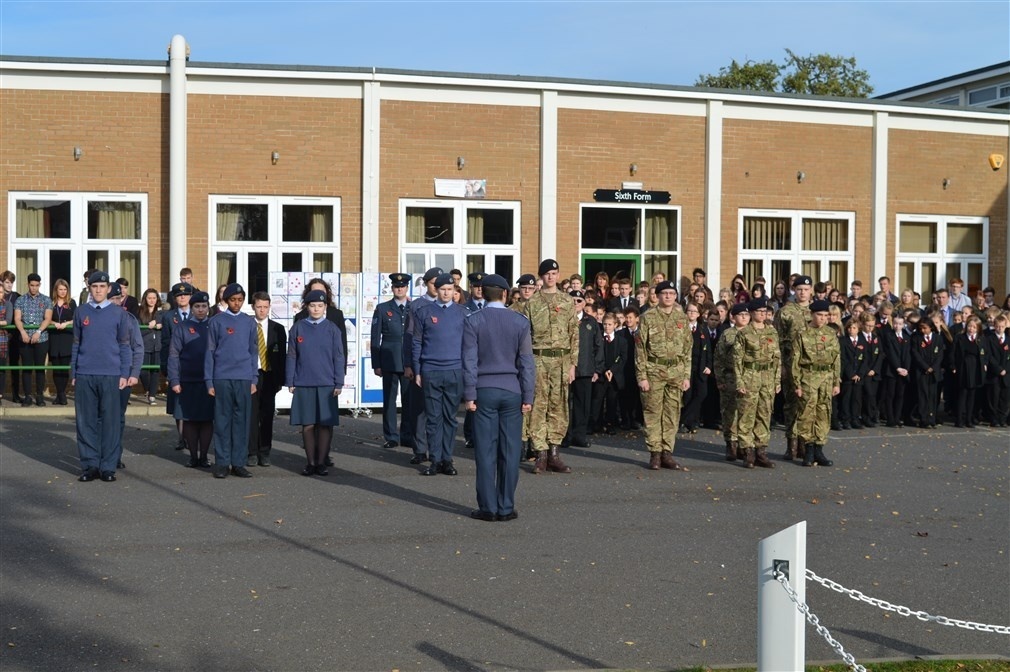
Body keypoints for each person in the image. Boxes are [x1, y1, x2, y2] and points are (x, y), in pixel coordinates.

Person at [462, 274, 535, 521]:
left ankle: (488, 507)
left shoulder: (473, 320)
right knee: (511, 449)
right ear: (505, 294)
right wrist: (528, 395)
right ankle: (505, 506)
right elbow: (526, 362)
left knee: (485, 450)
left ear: (483, 293)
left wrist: (469, 393)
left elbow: (469, 362)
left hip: (484, 390)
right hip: (512, 390)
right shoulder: (519, 321)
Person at [70, 271, 134, 482]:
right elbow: (77, 344)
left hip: (111, 375)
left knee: (110, 422)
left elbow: (125, 345)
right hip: (86, 374)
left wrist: (125, 373)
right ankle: (90, 465)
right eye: (94, 286)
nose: (98, 290)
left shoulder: (119, 314)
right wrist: (74, 371)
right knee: (85, 422)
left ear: (108, 289)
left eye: (102, 287)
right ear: (89, 288)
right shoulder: (81, 312)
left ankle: (107, 467)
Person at [521, 259, 580, 474]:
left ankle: (554, 452)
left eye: (554, 273)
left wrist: (573, 363)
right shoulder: (532, 303)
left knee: (559, 406)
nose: (551, 277)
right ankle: (540, 453)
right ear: (541, 276)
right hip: (538, 359)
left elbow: (574, 334)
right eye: (547, 273)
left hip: (562, 361)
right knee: (538, 406)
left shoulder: (566, 301)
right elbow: (525, 337)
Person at [410, 273, 467, 476]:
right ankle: (434, 459)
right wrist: (417, 370)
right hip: (431, 370)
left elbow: (469, 345)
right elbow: (416, 342)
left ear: (455, 291)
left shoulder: (463, 313)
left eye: (450, 289)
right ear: (436, 290)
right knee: (433, 418)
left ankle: (447, 459)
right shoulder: (424, 312)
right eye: (442, 289)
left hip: (454, 371)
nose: (446, 293)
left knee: (450, 418)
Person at [635, 280, 693, 471]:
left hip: (676, 372)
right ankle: (655, 453)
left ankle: (667, 452)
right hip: (654, 371)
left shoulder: (682, 318)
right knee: (653, 413)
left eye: (671, 293)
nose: (668, 296)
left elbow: (687, 349)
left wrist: (686, 375)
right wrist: (641, 376)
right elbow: (640, 349)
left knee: (672, 413)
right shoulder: (648, 317)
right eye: (664, 293)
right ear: (657, 296)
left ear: (676, 296)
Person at [287, 289, 345, 476]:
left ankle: (321, 462)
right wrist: (290, 380)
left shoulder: (332, 329)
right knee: (308, 424)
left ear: (325, 307)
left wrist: (339, 382)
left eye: (320, 306)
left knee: (325, 424)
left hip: (327, 383)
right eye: (312, 305)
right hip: (304, 382)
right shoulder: (298, 328)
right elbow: (292, 356)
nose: (316, 309)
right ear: (307, 307)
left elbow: (338, 357)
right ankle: (310, 462)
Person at [205, 283, 258, 479]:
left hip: (243, 378)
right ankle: (222, 462)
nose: (237, 303)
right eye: (233, 300)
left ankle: (239, 462)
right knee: (222, 421)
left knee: (241, 421)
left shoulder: (249, 322)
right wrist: (209, 381)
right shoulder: (217, 321)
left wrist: (254, 378)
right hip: (222, 377)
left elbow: (254, 352)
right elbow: (210, 352)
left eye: (240, 300)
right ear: (226, 301)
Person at [791, 300, 840, 467]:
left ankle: (819, 448)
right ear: (812, 314)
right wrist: (797, 384)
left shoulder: (831, 333)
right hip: (808, 376)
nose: (823, 318)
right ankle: (808, 449)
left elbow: (836, 359)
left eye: (826, 315)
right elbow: (795, 361)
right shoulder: (802, 333)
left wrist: (836, 382)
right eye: (820, 315)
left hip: (826, 376)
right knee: (806, 413)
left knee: (824, 412)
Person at [168, 291, 214, 468]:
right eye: (197, 307)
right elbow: (173, 355)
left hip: (208, 381)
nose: (201, 310)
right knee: (189, 420)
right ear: (192, 308)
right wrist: (174, 380)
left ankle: (204, 457)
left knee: (207, 420)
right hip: (187, 380)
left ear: (208, 307)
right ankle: (193, 456)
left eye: (204, 306)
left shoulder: (214, 325)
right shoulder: (182, 327)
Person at [732, 297, 780, 468]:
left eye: (765, 311)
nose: (762, 314)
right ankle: (747, 451)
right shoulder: (744, 333)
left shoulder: (772, 332)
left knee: (764, 414)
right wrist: (740, 382)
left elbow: (777, 358)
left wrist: (777, 380)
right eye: (759, 311)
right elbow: (737, 360)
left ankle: (761, 451)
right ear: (752, 313)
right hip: (749, 375)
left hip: (767, 376)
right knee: (746, 414)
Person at [402, 267, 442, 464]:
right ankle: (419, 449)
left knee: (439, 410)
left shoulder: (448, 305)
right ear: (426, 283)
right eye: (434, 282)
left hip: (441, 364)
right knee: (419, 409)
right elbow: (409, 336)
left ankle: (439, 449)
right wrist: (408, 364)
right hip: (420, 362)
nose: (437, 287)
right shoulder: (417, 305)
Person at [370, 273, 413, 449]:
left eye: (402, 286)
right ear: (392, 288)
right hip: (388, 360)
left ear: (407, 288)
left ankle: (407, 435)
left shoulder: (414, 307)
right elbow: (375, 338)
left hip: (409, 361)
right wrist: (376, 364)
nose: (399, 289)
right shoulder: (382, 308)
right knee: (389, 401)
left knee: (409, 400)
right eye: (396, 286)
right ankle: (391, 436)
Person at [774, 274, 813, 460]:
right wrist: (780, 365)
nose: (803, 293)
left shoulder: (817, 312)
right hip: (791, 364)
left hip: (810, 366)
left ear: (811, 291)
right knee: (791, 405)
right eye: (799, 290)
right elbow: (777, 340)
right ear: (794, 291)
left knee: (808, 405)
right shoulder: (785, 311)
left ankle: (805, 443)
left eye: (806, 290)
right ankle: (792, 444)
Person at [108, 281, 144, 470]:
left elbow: (138, 348)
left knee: (118, 419)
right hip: (105, 375)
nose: (115, 302)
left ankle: (115, 455)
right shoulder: (101, 318)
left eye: (117, 298)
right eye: (111, 298)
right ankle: (102, 454)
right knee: (102, 417)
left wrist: (135, 373)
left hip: (124, 375)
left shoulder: (129, 319)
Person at [248, 291, 286, 467]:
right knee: (252, 414)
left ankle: (265, 451)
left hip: (270, 375)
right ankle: (252, 452)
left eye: (265, 307)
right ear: (253, 307)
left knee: (267, 415)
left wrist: (280, 380)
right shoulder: (247, 326)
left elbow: (282, 357)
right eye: (259, 307)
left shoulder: (278, 328)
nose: (262, 311)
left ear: (269, 307)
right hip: (251, 375)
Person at [566, 289, 603, 448]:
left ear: (584, 303)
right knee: (565, 404)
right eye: (573, 300)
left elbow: (598, 346)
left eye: (579, 301)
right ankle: (565, 436)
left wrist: (597, 369)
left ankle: (579, 435)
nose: (576, 303)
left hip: (585, 369)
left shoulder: (591, 322)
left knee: (583, 404)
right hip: (566, 368)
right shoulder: (563, 319)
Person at [161, 282, 193, 451]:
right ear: (174, 298)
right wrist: (165, 368)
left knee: (193, 401)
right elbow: (165, 343)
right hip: (176, 365)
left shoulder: (198, 313)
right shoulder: (169, 317)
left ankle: (192, 436)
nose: (183, 298)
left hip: (194, 364)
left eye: (186, 295)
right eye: (180, 295)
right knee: (178, 403)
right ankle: (181, 437)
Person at [715, 303, 750, 460]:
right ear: (733, 317)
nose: (744, 317)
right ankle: (731, 444)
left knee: (746, 413)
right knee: (729, 412)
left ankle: (744, 445)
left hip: (749, 377)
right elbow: (719, 358)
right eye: (740, 314)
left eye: (746, 314)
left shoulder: (754, 333)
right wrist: (720, 379)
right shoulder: (727, 334)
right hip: (730, 377)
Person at [13, 273, 54, 406]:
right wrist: (23, 332)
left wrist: (38, 331)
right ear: (28, 284)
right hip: (24, 339)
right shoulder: (20, 300)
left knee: (40, 368)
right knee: (26, 368)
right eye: (32, 285)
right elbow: (17, 318)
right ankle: (27, 396)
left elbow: (47, 318)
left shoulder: (46, 300)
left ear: (39, 285)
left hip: (41, 339)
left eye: (37, 285)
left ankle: (40, 396)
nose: (34, 288)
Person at [679, 302, 712, 434]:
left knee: (701, 394)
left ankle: (683, 419)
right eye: (689, 311)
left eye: (694, 311)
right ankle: (690, 423)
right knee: (688, 396)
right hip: (686, 367)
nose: (692, 313)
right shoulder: (681, 328)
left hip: (701, 366)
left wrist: (709, 365)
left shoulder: (703, 329)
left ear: (699, 314)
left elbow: (708, 349)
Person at [951, 316, 987, 428]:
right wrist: (953, 366)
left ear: (978, 329)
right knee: (963, 394)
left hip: (976, 368)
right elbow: (952, 353)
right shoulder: (959, 337)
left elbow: (986, 353)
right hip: (963, 367)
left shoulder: (981, 339)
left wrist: (985, 364)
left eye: (974, 327)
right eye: (969, 326)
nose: (971, 329)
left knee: (972, 394)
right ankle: (959, 419)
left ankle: (969, 419)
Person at [911, 318, 944, 429]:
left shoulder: (938, 338)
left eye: (925, 328)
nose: (922, 330)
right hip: (922, 372)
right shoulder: (917, 338)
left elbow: (940, 354)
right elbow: (916, 354)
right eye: (921, 328)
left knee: (933, 396)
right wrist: (925, 367)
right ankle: (923, 419)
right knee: (923, 395)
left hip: (934, 372)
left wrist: (933, 367)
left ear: (931, 327)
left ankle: (932, 418)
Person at [879, 313, 911, 428]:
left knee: (900, 395)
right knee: (890, 395)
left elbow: (908, 355)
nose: (897, 326)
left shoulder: (907, 337)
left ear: (904, 325)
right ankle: (890, 419)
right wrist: (897, 367)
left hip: (903, 371)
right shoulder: (888, 336)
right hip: (891, 370)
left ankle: (897, 418)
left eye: (900, 324)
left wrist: (906, 369)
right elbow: (890, 353)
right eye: (896, 323)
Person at [49, 278, 76, 406]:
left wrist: (66, 323)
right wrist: (54, 323)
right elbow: (46, 319)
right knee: (56, 368)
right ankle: (60, 394)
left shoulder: (72, 303)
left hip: (66, 337)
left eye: (65, 289)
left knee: (64, 368)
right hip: (54, 337)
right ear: (56, 290)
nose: (63, 292)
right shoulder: (50, 303)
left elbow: (76, 319)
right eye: (60, 289)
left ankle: (62, 394)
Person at [837, 318, 868, 430]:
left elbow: (865, 358)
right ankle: (846, 419)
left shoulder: (862, 341)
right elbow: (844, 359)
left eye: (854, 328)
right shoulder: (843, 341)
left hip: (859, 375)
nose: (851, 330)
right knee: (846, 398)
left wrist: (860, 373)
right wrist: (851, 374)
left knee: (857, 398)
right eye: (849, 328)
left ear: (858, 329)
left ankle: (855, 418)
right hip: (848, 376)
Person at [137, 288, 163, 404]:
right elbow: (138, 331)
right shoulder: (140, 312)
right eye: (149, 298)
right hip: (145, 344)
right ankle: (148, 389)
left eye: (154, 298)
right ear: (145, 299)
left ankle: (152, 395)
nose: (152, 300)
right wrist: (149, 326)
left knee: (155, 371)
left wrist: (160, 325)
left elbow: (165, 327)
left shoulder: (162, 312)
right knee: (143, 371)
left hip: (158, 345)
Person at [2, 270, 22, 403]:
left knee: (15, 366)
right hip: (1, 337)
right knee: (1, 366)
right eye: (7, 282)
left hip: (14, 336)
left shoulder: (17, 297)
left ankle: (15, 394)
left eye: (11, 282)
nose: (9, 285)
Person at [986, 313, 1010, 427]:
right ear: (994, 326)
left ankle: (1002, 419)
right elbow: (989, 356)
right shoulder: (989, 339)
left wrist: (1005, 369)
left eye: (1002, 326)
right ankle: (994, 419)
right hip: (994, 373)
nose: (1000, 328)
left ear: (1005, 326)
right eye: (998, 326)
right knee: (994, 397)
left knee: (1004, 398)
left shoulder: (1008, 340)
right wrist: (998, 369)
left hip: (1006, 373)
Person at [0, 282, 13, 405]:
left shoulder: (8, 304)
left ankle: (0, 394)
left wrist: (2, 322)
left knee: (1, 370)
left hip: (1, 340)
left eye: (1, 292)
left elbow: (8, 321)